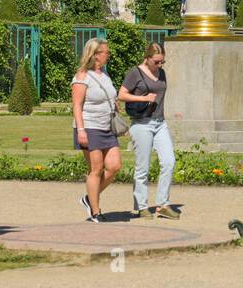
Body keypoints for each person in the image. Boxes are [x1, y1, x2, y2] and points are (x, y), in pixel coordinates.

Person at [120, 43, 178, 219]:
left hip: (160, 123)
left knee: (169, 161)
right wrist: (143, 98)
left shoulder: (162, 73)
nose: (160, 66)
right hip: (141, 123)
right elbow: (121, 94)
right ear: (147, 58)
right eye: (157, 62)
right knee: (142, 167)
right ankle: (142, 206)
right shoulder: (134, 73)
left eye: (162, 62)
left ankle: (162, 204)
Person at [71, 38, 122, 222]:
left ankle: (88, 198)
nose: (108, 55)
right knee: (96, 169)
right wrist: (81, 130)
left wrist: (114, 105)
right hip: (89, 127)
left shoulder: (105, 74)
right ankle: (95, 210)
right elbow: (76, 105)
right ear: (95, 55)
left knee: (115, 165)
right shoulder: (82, 76)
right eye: (106, 52)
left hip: (106, 127)